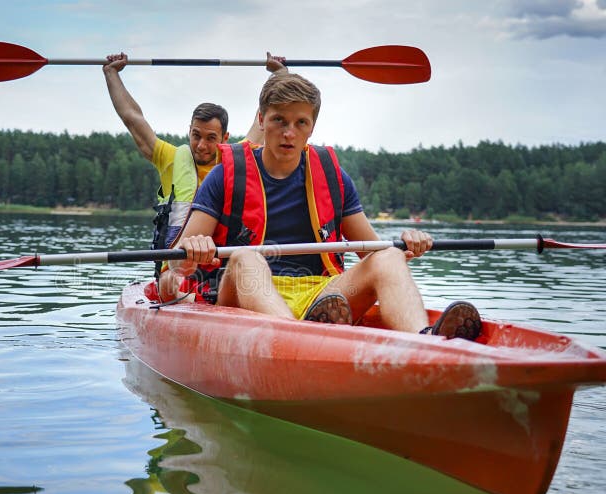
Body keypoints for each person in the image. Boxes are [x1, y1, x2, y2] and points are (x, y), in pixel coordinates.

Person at [161, 72, 482, 340]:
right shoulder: (223, 176)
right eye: (278, 120)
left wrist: (407, 245)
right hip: (246, 296)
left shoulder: (332, 177)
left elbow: (373, 252)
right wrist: (195, 246)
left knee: (389, 256)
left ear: (312, 126)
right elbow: (178, 268)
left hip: (326, 298)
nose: (289, 132)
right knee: (247, 257)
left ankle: (425, 341)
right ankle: (299, 341)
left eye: (300, 122)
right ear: (261, 119)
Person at [102, 52, 286, 253]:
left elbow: (265, 117)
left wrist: (279, 74)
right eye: (196, 135)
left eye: (210, 138)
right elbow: (132, 118)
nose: (200, 145)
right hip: (176, 263)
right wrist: (111, 73)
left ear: (225, 138)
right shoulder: (169, 158)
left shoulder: (237, 159)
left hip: (219, 261)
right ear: (189, 131)